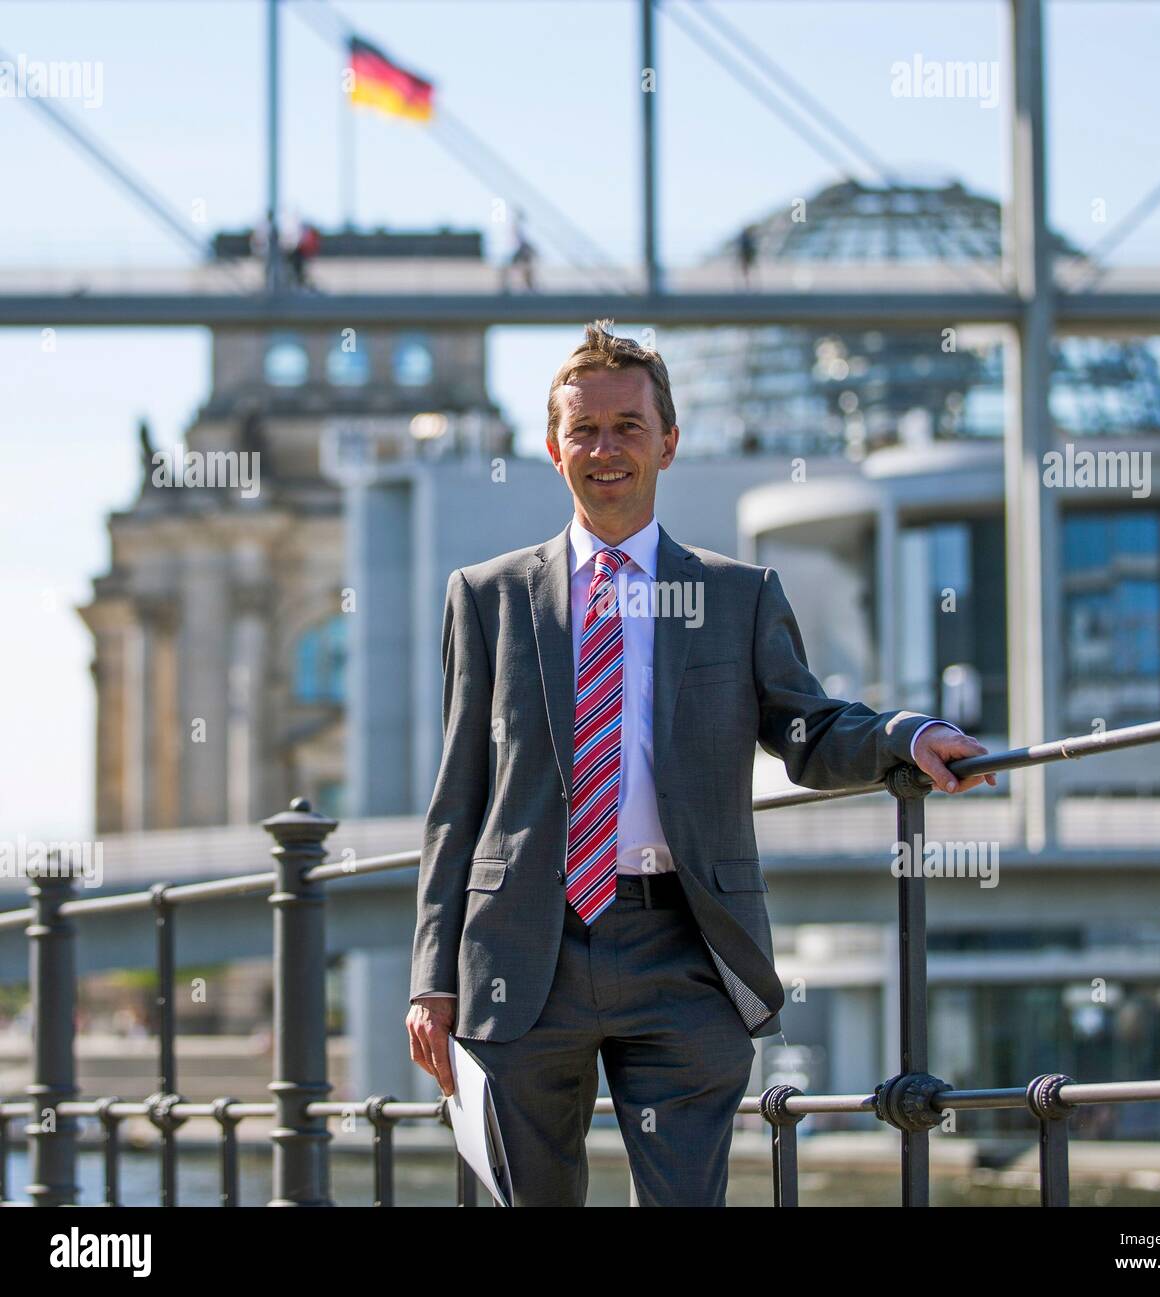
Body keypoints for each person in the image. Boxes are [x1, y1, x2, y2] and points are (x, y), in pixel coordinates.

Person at [406, 320, 994, 1207]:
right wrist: (431, 977)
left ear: (669, 442)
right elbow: (460, 799)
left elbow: (807, 727)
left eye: (628, 428)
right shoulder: (487, 597)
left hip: (684, 950)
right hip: (524, 950)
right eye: (585, 430)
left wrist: (903, 737)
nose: (606, 450)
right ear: (553, 447)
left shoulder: (735, 596)